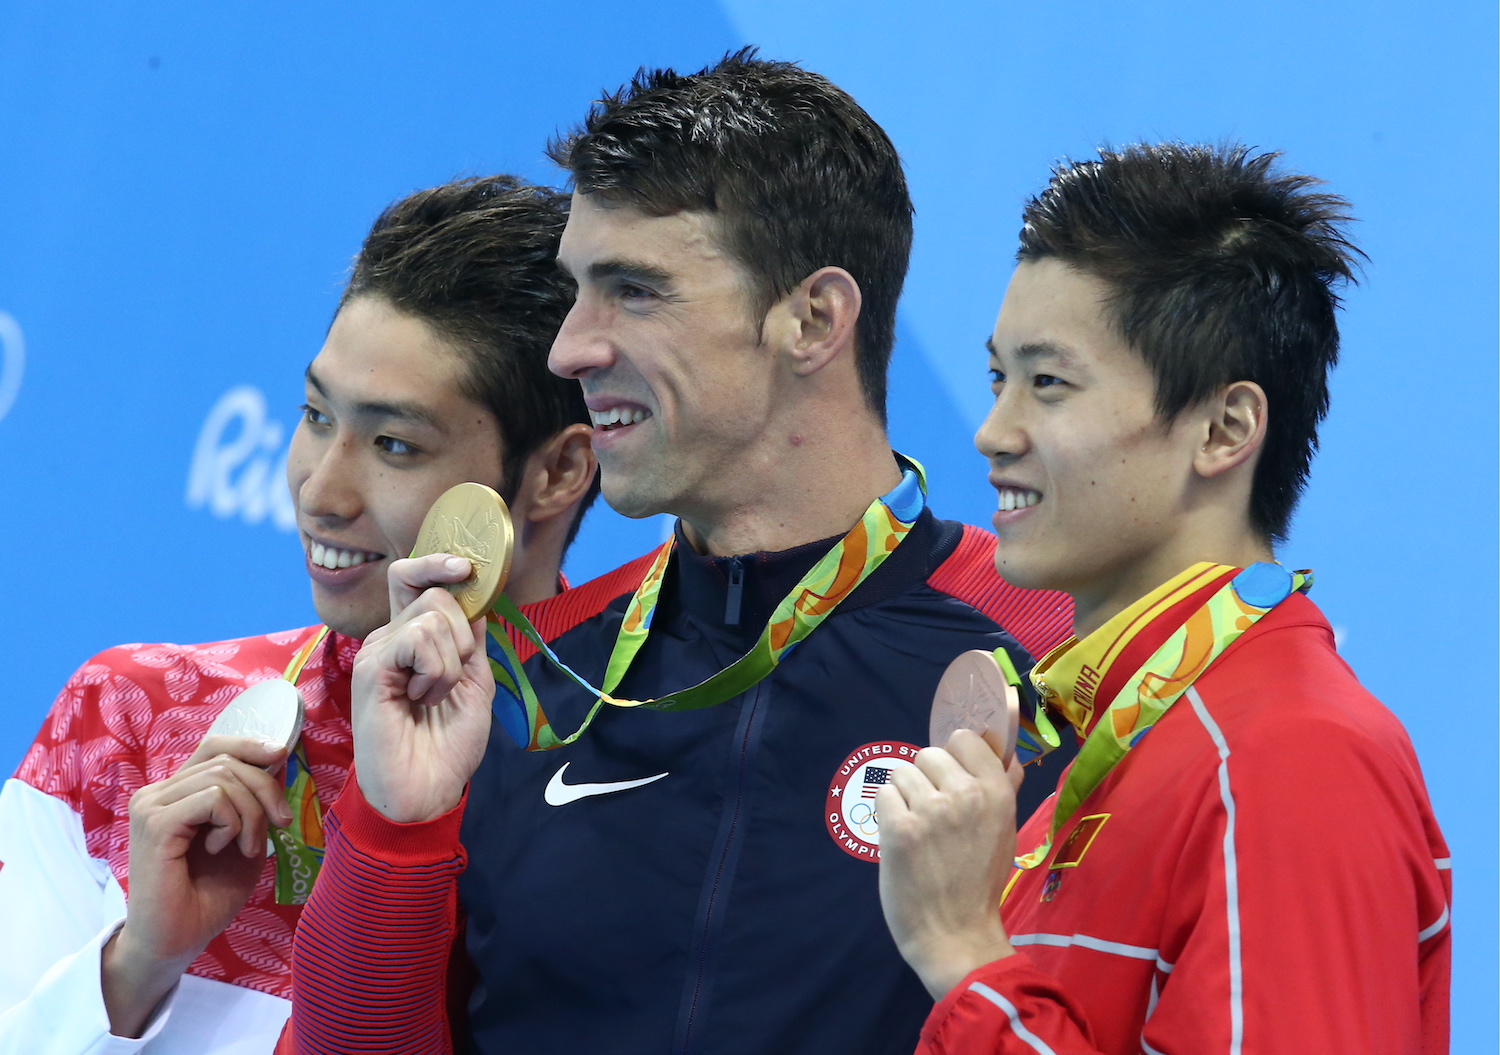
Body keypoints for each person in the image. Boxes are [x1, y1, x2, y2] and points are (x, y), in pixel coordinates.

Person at [285, 51, 1074, 1055]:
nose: (570, 348)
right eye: (577, 291)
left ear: (813, 319)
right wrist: (396, 827)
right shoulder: (524, 678)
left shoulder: (1058, 665)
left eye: (634, 291)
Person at [0, 175, 599, 1053]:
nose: (321, 490)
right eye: (317, 415)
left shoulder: (624, 779)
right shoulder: (130, 717)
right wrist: (140, 964)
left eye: (395, 444)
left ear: (556, 472)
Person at [876, 144, 1452, 1055]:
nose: (992, 431)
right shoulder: (1139, 738)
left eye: (1049, 383)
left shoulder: (1285, 757)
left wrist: (965, 958)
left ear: (1224, 429)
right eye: (998, 378)